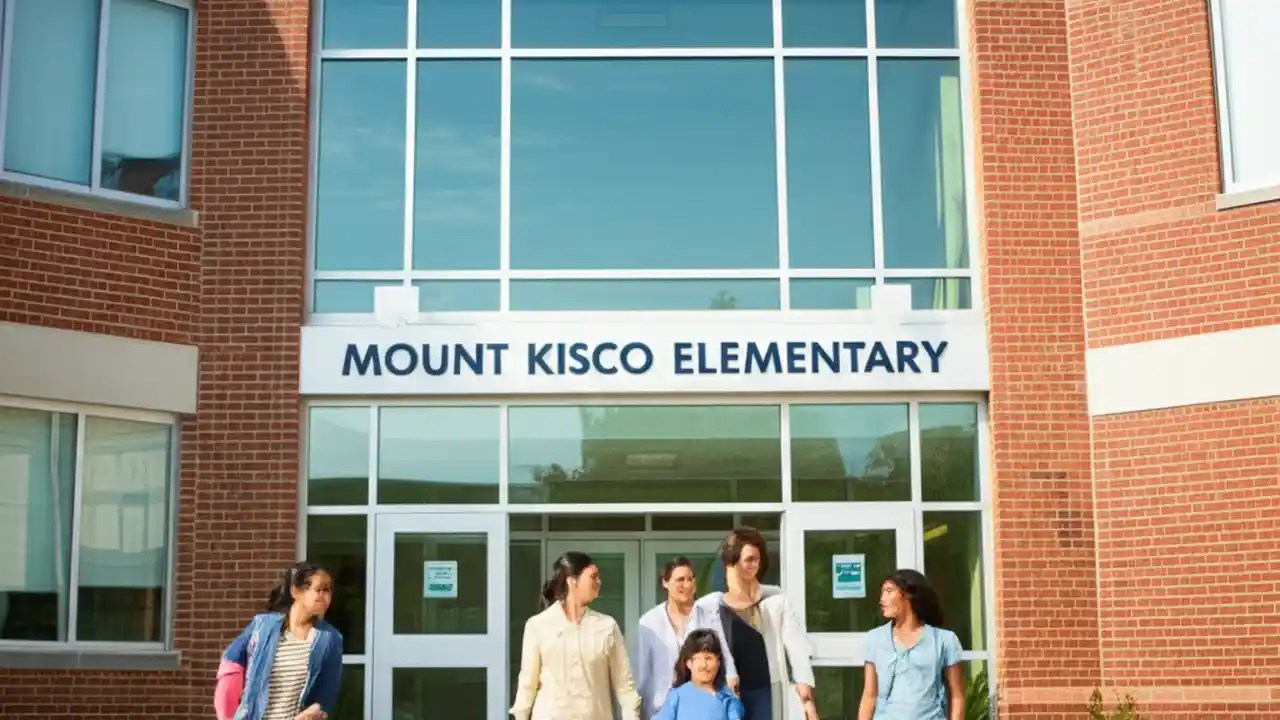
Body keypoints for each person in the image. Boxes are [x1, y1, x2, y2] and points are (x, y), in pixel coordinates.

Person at [691, 528, 817, 720]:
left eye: (757, 559)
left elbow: (796, 644)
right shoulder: (710, 606)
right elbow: (696, 651)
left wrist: (804, 685)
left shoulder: (775, 599)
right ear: (732, 562)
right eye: (749, 559)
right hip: (724, 690)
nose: (755, 564)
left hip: (764, 690)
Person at [510, 551, 642, 720]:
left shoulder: (607, 626)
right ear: (572, 581)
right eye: (593, 577)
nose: (599, 582)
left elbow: (625, 685)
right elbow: (527, 684)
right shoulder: (538, 625)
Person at [214, 561, 344, 720]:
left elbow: (326, 693)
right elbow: (230, 666)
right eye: (319, 589)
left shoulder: (330, 638)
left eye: (328, 590)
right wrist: (226, 714)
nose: (325, 596)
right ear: (295, 591)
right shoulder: (262, 626)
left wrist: (314, 711)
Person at [856, 569, 965, 720]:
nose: (882, 599)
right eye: (882, 592)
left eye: (889, 591)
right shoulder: (874, 639)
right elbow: (869, 695)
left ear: (907, 595)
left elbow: (957, 696)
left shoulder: (944, 640)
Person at [638, 557, 702, 719]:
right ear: (665, 582)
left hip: (700, 708)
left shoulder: (705, 616)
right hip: (661, 710)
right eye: (680, 579)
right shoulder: (649, 622)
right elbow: (642, 673)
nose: (687, 585)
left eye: (690, 579)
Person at [655, 630, 745, 720]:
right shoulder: (676, 696)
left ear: (718, 662)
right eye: (698, 659)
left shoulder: (727, 697)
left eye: (708, 658)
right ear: (689, 663)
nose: (704, 665)